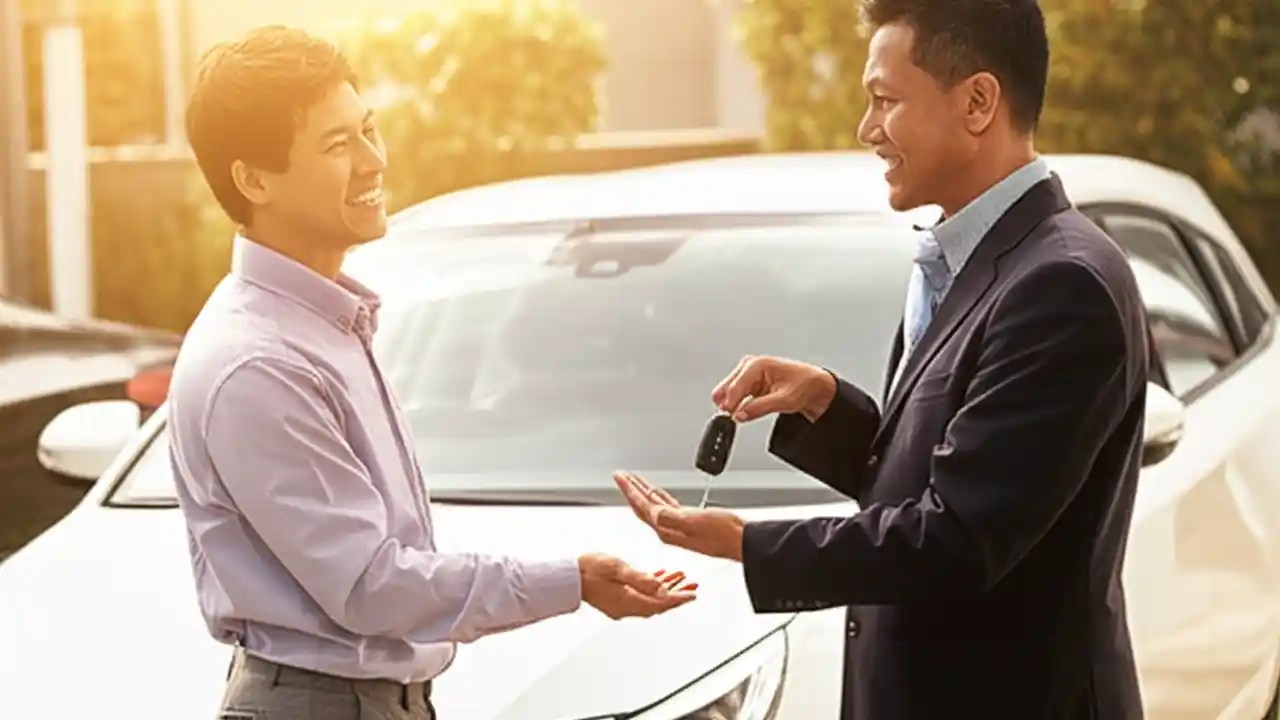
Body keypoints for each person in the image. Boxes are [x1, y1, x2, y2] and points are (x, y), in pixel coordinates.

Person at [614, 1, 1149, 718]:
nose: (867, 130)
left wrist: (747, 544)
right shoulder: (975, 257)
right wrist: (827, 404)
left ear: (979, 101)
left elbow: (957, 539)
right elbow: (953, 472)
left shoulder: (1061, 284)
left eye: (884, 101)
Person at [168, 26, 695, 720]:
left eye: (368, 129)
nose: (372, 160)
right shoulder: (259, 364)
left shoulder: (326, 324)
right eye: (336, 144)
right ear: (253, 178)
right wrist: (573, 581)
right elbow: (371, 586)